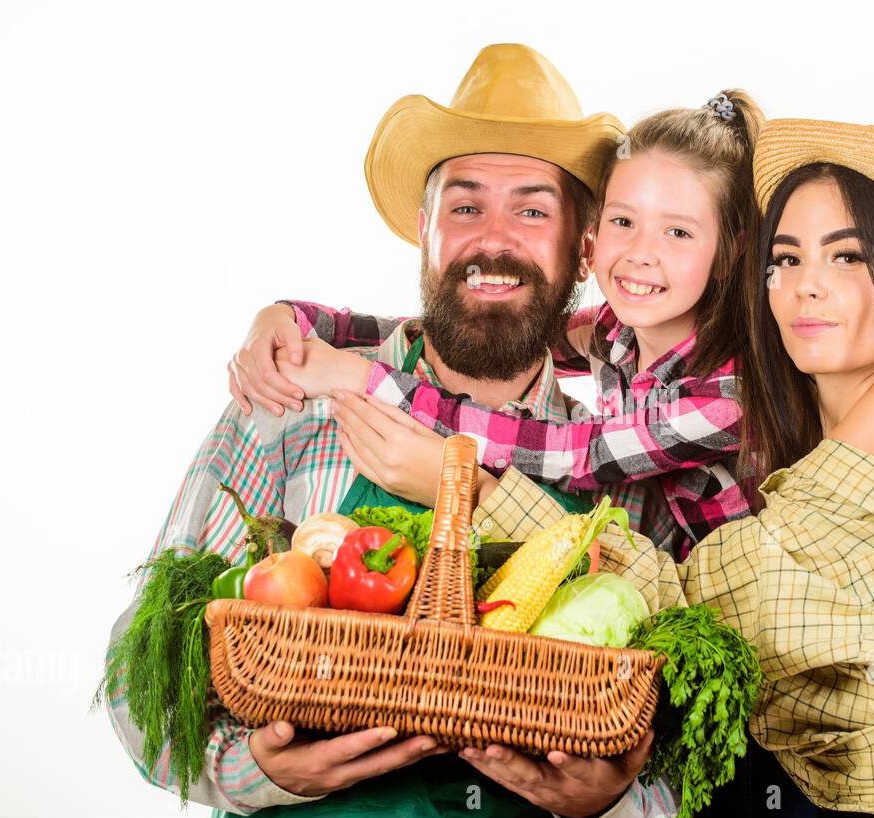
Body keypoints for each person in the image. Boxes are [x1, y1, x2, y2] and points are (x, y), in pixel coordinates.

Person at [368, 117, 874, 818]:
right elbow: (502, 320)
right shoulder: (777, 404)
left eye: (847, 257)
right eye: (787, 259)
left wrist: (476, 488)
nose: (807, 287)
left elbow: (696, 604)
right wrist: (315, 326)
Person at [101, 44, 676, 818]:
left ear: (583, 249)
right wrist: (258, 769)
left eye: (532, 209)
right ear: (423, 232)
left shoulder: (622, 465)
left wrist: (612, 805)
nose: (493, 240)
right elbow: (141, 681)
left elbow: (684, 763)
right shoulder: (289, 406)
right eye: (465, 207)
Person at [227, 89, 766, 561]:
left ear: (580, 248)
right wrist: (294, 319)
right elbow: (485, 317)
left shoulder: (725, 398)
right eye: (624, 222)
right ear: (598, 240)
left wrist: (369, 391)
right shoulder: (616, 333)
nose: (641, 253)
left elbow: (575, 453)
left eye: (532, 212)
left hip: (734, 601)